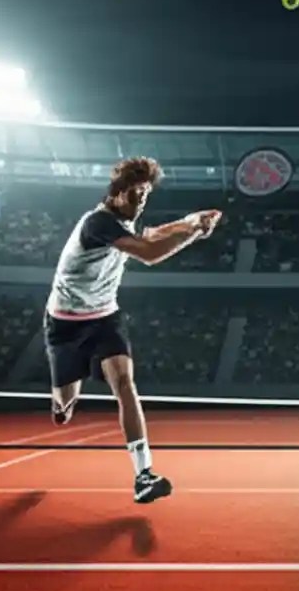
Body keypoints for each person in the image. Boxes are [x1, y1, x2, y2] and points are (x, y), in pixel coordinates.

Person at [42, 156, 221, 504]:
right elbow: (149, 252)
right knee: (66, 403)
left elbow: (150, 234)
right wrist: (193, 232)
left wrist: (189, 220)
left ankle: (143, 474)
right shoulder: (98, 223)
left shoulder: (124, 221)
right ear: (117, 192)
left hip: (105, 317)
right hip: (65, 324)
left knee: (124, 383)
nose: (141, 201)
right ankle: (61, 405)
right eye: (136, 193)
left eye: (146, 194)